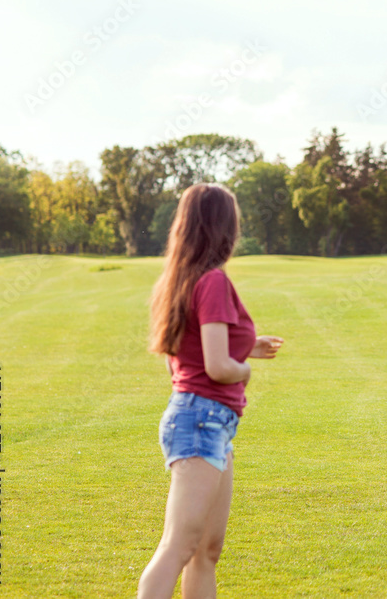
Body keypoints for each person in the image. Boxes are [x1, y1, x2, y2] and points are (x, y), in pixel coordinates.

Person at [139, 183, 283, 598]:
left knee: (207, 550)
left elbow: (185, 353)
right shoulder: (213, 281)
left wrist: (246, 346)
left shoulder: (182, 279)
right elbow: (219, 367)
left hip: (207, 421)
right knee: (179, 547)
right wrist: (245, 370)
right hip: (202, 419)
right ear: (225, 228)